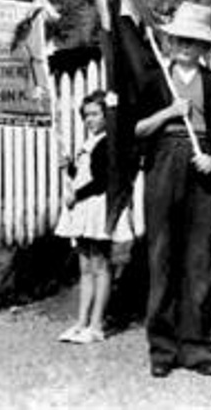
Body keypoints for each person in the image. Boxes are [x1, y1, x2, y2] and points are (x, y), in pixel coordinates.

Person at [134, 2, 211, 378]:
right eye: (180, 38)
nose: (185, 45)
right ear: (170, 40)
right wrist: (167, 112)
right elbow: (135, 130)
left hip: (203, 171)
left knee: (197, 260)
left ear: (204, 48)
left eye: (194, 41)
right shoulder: (154, 79)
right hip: (163, 165)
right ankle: (162, 351)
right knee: (161, 256)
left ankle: (195, 349)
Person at [54, 90, 133, 344]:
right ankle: (81, 322)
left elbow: (102, 182)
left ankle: (97, 325)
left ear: (107, 116)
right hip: (84, 209)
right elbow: (84, 174)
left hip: (98, 208)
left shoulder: (109, 144)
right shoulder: (89, 144)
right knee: (85, 266)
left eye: (95, 114)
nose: (90, 120)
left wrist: (76, 193)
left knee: (100, 266)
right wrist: (70, 166)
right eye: (86, 115)